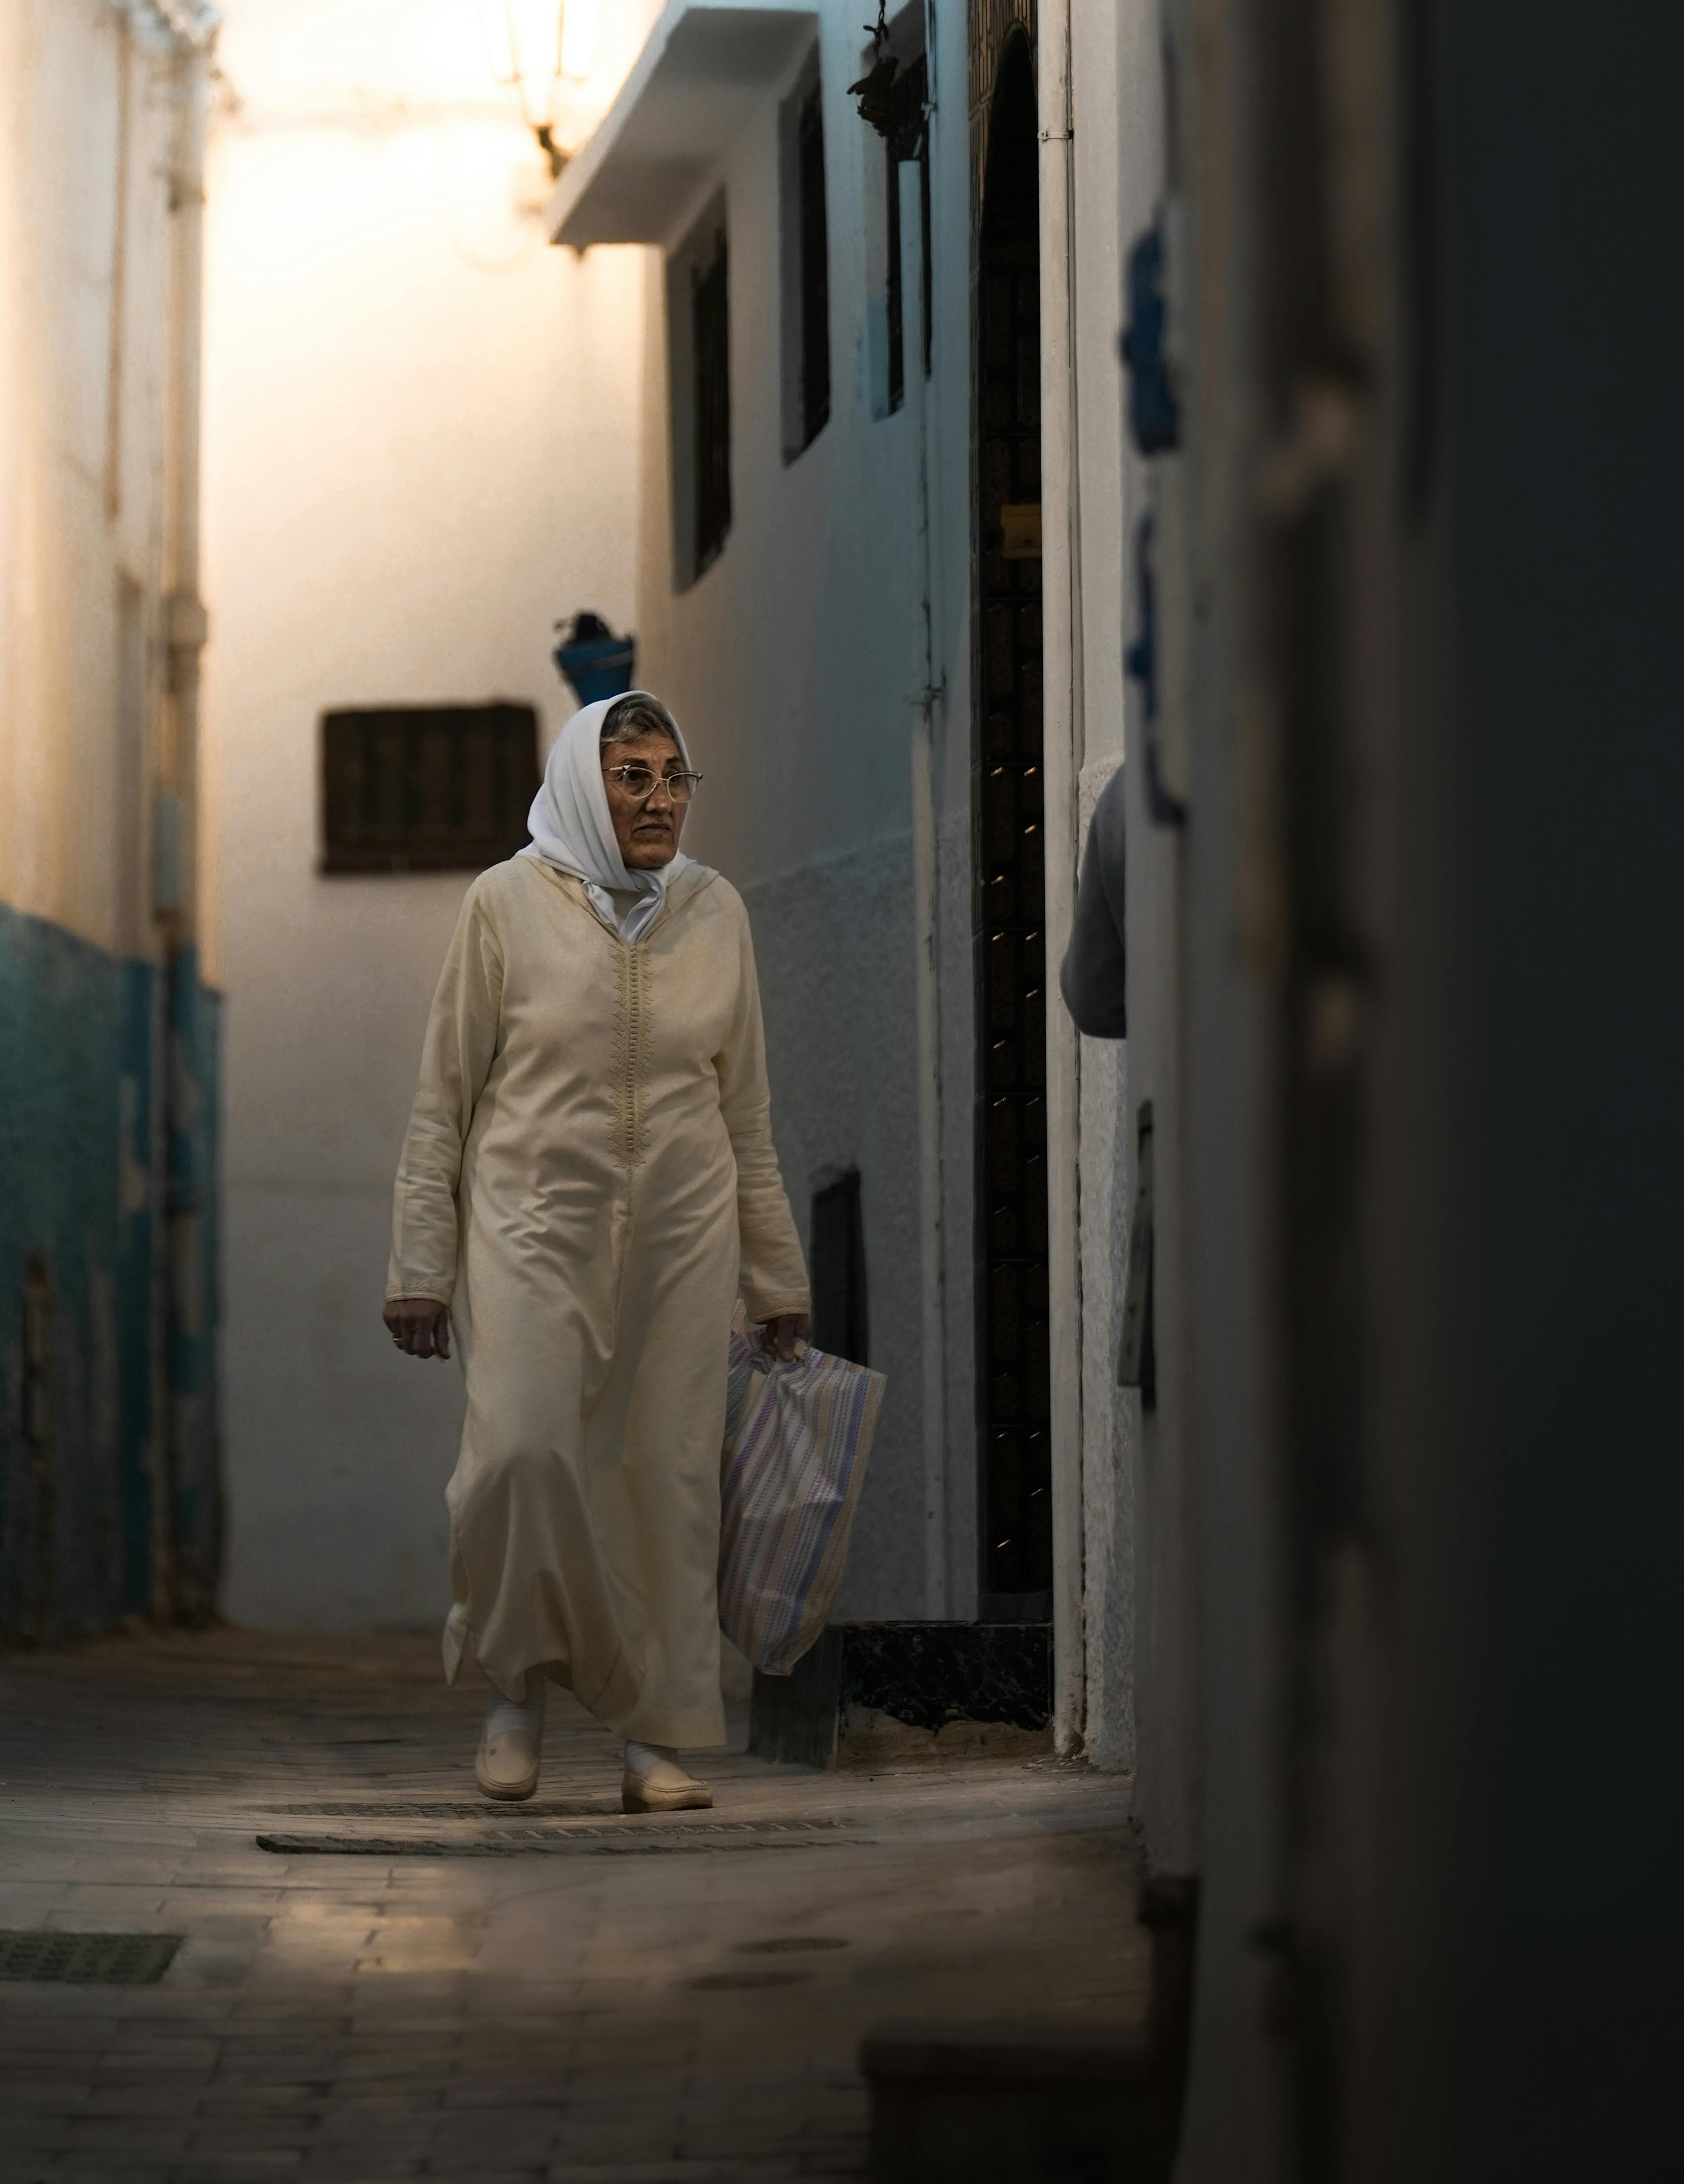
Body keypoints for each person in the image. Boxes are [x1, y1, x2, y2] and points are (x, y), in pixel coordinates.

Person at [383, 692, 810, 1812]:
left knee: (664, 1482)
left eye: (674, 777)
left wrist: (777, 1275)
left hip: (685, 1234)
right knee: (523, 1451)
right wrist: (422, 1264)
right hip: (529, 1225)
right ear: (586, 783)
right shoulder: (503, 908)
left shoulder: (716, 912)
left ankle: (653, 1738)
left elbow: (748, 1112)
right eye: (634, 777)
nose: (659, 799)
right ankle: (513, 1691)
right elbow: (443, 1100)